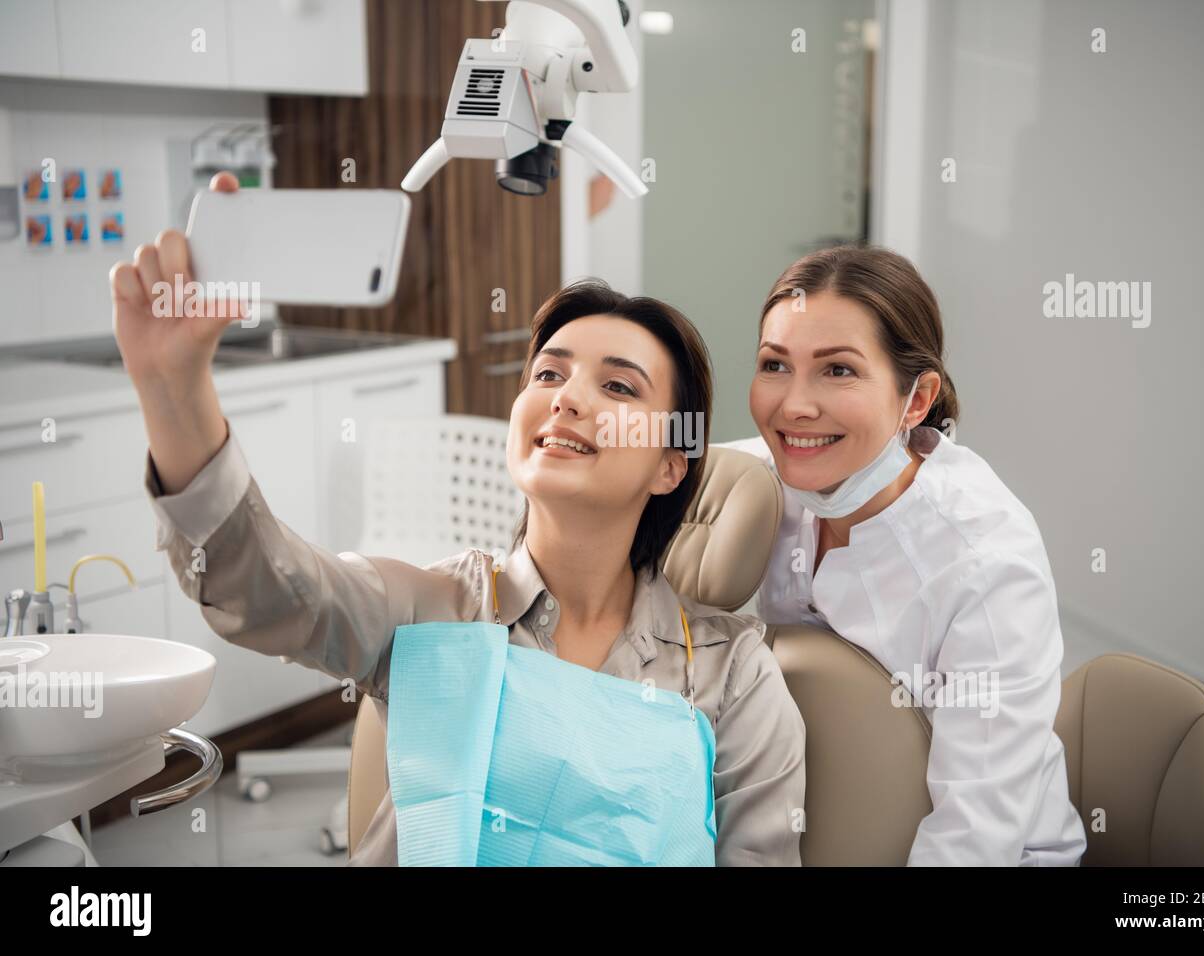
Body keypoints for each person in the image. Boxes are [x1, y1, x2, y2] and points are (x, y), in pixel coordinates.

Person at [109, 172, 806, 866]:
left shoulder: (733, 678)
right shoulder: (431, 613)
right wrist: (174, 391)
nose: (566, 399)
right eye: (548, 374)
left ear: (669, 466)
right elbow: (266, 589)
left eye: (618, 386)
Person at [721, 244, 1087, 865]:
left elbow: (975, 835)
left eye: (838, 370)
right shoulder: (758, 483)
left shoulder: (987, 562)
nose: (794, 405)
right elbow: (650, 470)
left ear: (916, 400)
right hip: (825, 824)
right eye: (774, 364)